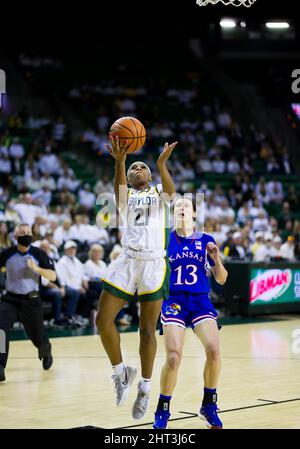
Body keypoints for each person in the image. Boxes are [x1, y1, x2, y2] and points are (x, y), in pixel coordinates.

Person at [96, 136, 177, 420]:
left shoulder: (158, 193)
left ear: (150, 175)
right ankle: (121, 374)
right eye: (134, 167)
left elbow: (171, 191)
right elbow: (118, 193)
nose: (138, 168)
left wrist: (161, 164)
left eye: (143, 166)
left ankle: (144, 386)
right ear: (129, 178)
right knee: (102, 320)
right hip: (128, 260)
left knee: (146, 331)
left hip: (154, 262)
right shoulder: (126, 196)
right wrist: (120, 162)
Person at [153, 197, 228, 429]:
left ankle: (208, 405)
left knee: (214, 351)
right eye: (177, 207)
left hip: (200, 302)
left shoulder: (206, 240)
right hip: (173, 301)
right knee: (174, 357)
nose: (181, 209)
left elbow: (222, 279)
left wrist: (216, 258)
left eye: (185, 206)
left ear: (194, 214)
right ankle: (162, 409)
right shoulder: (165, 239)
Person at [0, 223, 56, 382]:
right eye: (22, 232)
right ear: (16, 236)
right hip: (10, 299)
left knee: (36, 336)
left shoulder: (39, 254)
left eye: (28, 232)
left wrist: (36, 269)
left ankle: (45, 350)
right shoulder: (7, 253)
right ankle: (0, 366)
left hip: (32, 300)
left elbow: (52, 276)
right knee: (1, 330)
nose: (26, 235)